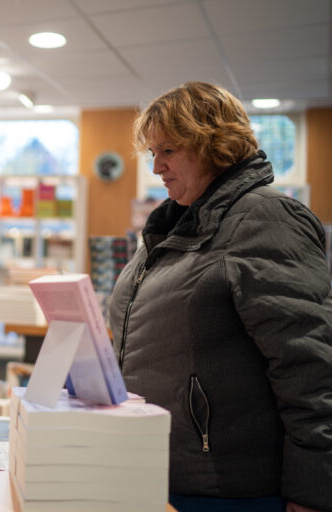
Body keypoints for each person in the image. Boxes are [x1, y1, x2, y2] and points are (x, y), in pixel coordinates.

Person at [109, 81, 332, 512]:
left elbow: (310, 364)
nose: (157, 168)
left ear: (214, 143)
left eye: (168, 150)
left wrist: (313, 493)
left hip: (228, 490)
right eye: (153, 153)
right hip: (158, 474)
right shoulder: (174, 226)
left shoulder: (265, 217)